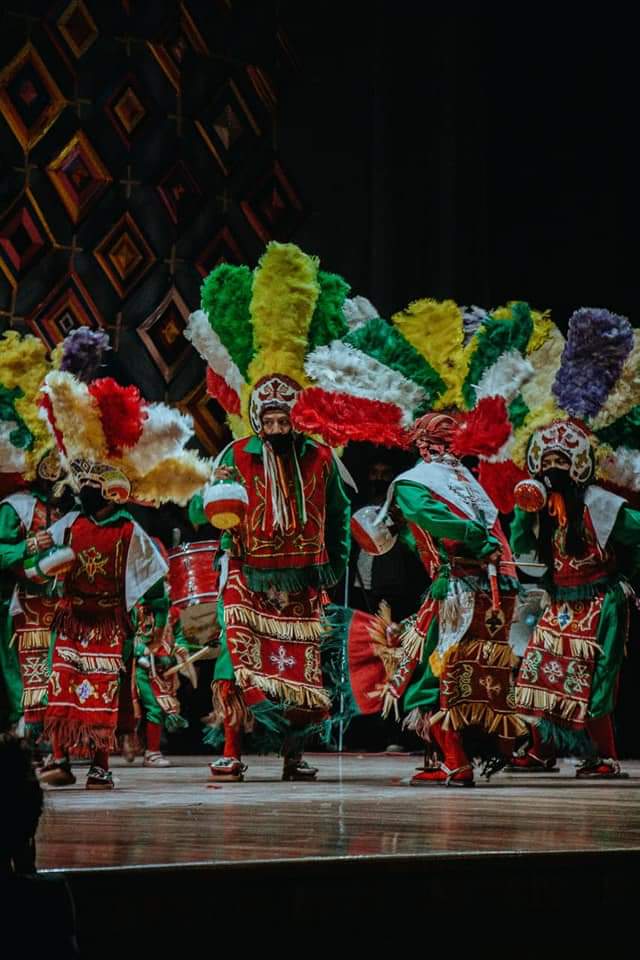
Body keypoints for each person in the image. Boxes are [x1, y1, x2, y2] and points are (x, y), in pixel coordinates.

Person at [37, 367, 210, 789]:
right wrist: (39, 562)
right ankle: (59, 758)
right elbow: (43, 563)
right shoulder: (69, 524)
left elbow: (153, 580)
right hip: (72, 620)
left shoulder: (129, 530)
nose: (84, 489)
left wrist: (153, 623)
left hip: (110, 626)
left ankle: (99, 766)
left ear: (106, 486)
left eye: (90, 483)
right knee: (61, 685)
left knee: (102, 696)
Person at [369, 413, 527, 786]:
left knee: (432, 672)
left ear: (422, 446)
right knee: (471, 669)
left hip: (460, 590)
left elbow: (434, 519)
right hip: (495, 589)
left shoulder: (415, 482)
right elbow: (428, 531)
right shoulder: (466, 482)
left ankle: (456, 761)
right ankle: (453, 756)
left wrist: (472, 537)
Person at [510, 419, 640, 778]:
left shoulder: (602, 506)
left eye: (562, 462)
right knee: (537, 671)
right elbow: (524, 553)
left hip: (602, 601)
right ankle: (541, 749)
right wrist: (524, 511)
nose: (555, 470)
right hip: (561, 602)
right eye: (548, 462)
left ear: (579, 465)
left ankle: (603, 756)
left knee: (597, 681)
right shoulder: (538, 507)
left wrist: (630, 578)